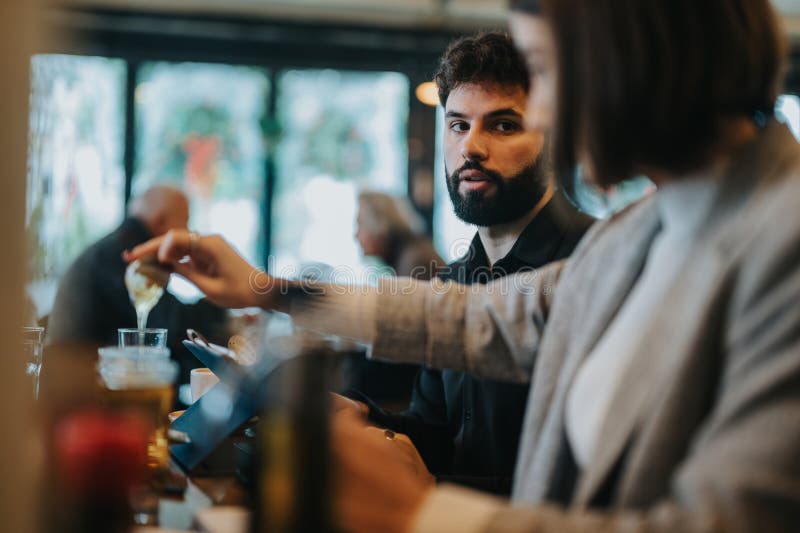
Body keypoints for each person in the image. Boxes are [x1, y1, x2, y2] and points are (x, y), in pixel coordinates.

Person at [127, 0, 800, 531]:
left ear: (633, 54)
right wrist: (262, 287)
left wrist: (422, 515)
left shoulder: (781, 242)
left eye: (544, 69)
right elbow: (477, 316)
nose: (544, 112)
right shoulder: (650, 227)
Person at [340, 32, 593, 496]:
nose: (470, 148)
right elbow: (435, 434)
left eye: (502, 126)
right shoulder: (452, 279)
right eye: (458, 125)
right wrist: (370, 421)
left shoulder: (595, 260)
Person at [48, 186, 228, 384]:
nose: (189, 232)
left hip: (95, 386)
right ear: (160, 221)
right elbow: (173, 326)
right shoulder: (125, 255)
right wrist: (223, 299)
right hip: (82, 396)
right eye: (185, 222)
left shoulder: (114, 248)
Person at [346, 191, 443, 406]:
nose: (356, 235)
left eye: (360, 225)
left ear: (379, 224)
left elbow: (409, 343)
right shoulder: (410, 253)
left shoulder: (415, 259)